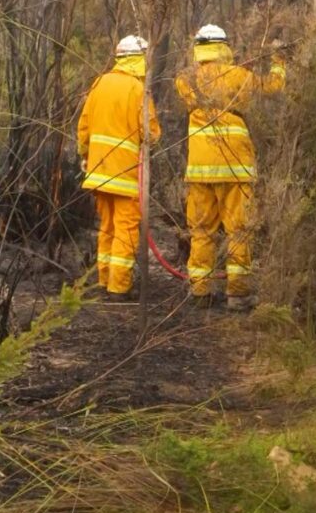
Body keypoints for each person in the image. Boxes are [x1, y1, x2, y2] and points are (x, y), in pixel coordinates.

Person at [174, 24, 286, 310]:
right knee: (239, 230)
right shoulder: (238, 75)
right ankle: (238, 295)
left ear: (198, 47)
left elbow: (184, 84)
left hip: (200, 169)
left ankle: (200, 292)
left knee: (201, 230)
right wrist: (278, 62)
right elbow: (273, 87)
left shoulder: (186, 80)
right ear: (224, 46)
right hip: (235, 165)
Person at [77, 35, 161, 301]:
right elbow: (151, 133)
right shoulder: (138, 89)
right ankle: (119, 287)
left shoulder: (99, 83)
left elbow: (84, 126)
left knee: (107, 227)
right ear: (140, 59)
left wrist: (85, 154)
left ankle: (104, 280)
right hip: (125, 176)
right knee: (125, 229)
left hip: (98, 173)